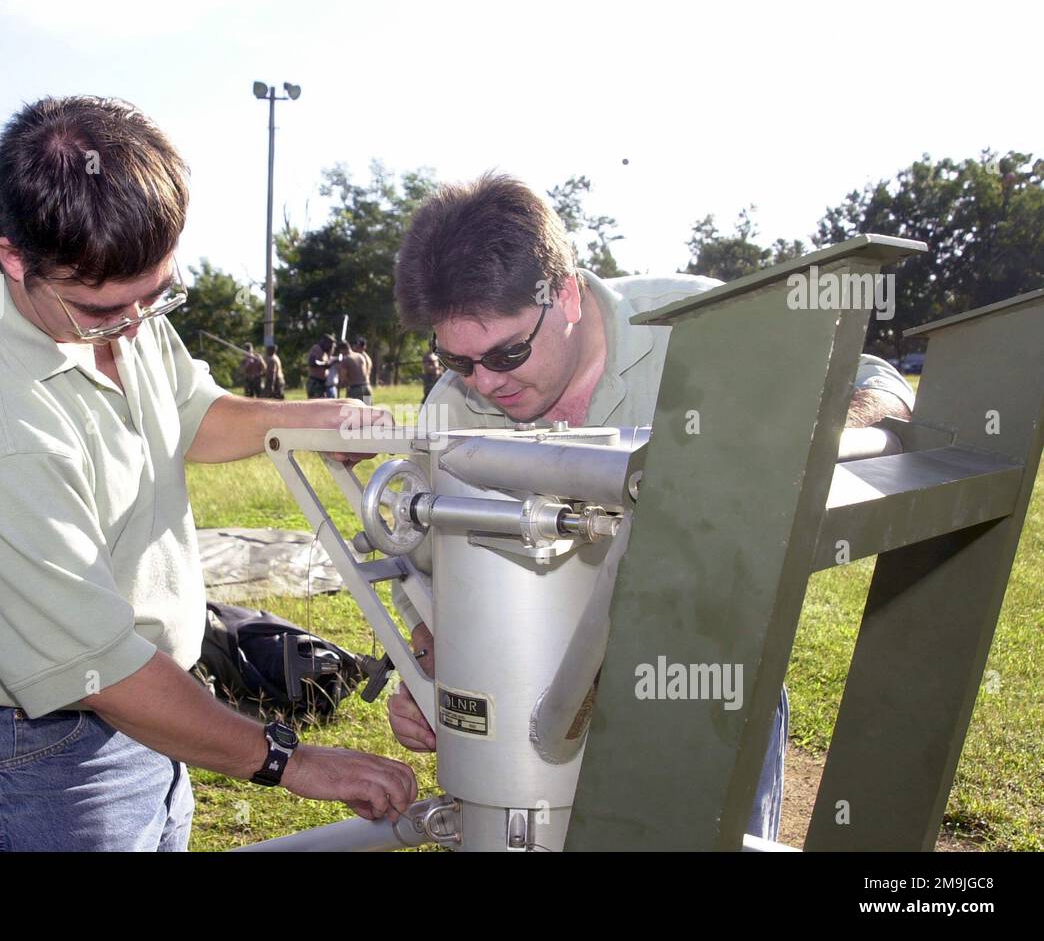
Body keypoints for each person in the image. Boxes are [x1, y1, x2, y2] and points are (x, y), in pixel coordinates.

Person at [0, 96, 416, 852]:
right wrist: (291, 759)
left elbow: (189, 410)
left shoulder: (93, 284)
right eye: (104, 313)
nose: (132, 329)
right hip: (31, 750)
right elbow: (97, 667)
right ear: (11, 258)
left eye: (156, 298)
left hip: (151, 702)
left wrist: (309, 422)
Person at [385, 173, 916, 842]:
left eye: (508, 351)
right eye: (459, 360)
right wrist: (432, 669)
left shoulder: (701, 330)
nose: (486, 383)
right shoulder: (452, 408)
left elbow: (881, 385)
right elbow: (428, 574)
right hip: (535, 696)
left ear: (567, 295)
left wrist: (793, 446)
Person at [305, 334, 334, 399]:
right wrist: (325, 364)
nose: (330, 346)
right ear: (325, 342)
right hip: (315, 383)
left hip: (321, 383)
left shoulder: (324, 353)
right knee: (316, 405)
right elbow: (312, 362)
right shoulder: (316, 348)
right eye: (330, 344)